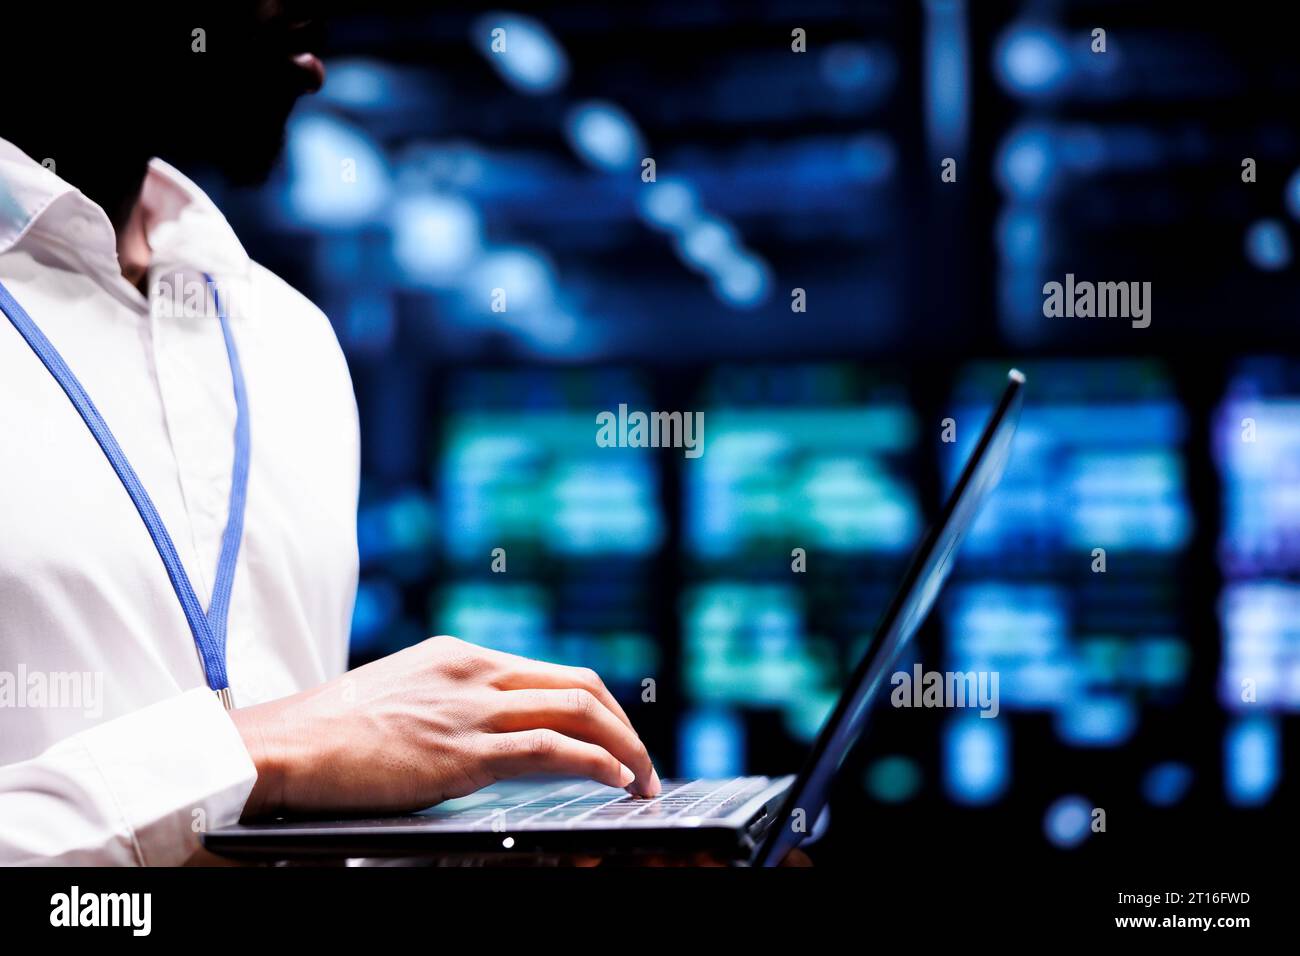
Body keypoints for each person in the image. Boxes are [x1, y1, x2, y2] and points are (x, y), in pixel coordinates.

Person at [0, 1, 658, 867]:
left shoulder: (291, 340)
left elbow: (294, 834)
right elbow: (276, 764)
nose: (313, 42)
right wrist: (253, 754)